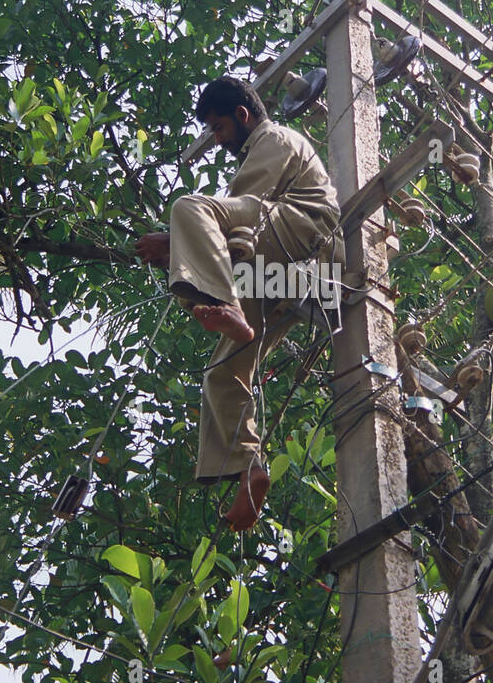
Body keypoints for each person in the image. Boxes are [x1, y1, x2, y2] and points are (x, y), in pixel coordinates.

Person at [135, 75, 342, 531]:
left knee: (190, 207)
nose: (220, 140)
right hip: (279, 274)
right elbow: (239, 228)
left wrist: (174, 239)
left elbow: (243, 206)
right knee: (221, 374)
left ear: (243, 116)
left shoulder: (275, 137)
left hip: (307, 238)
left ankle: (225, 303)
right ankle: (250, 468)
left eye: (221, 129)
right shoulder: (259, 145)